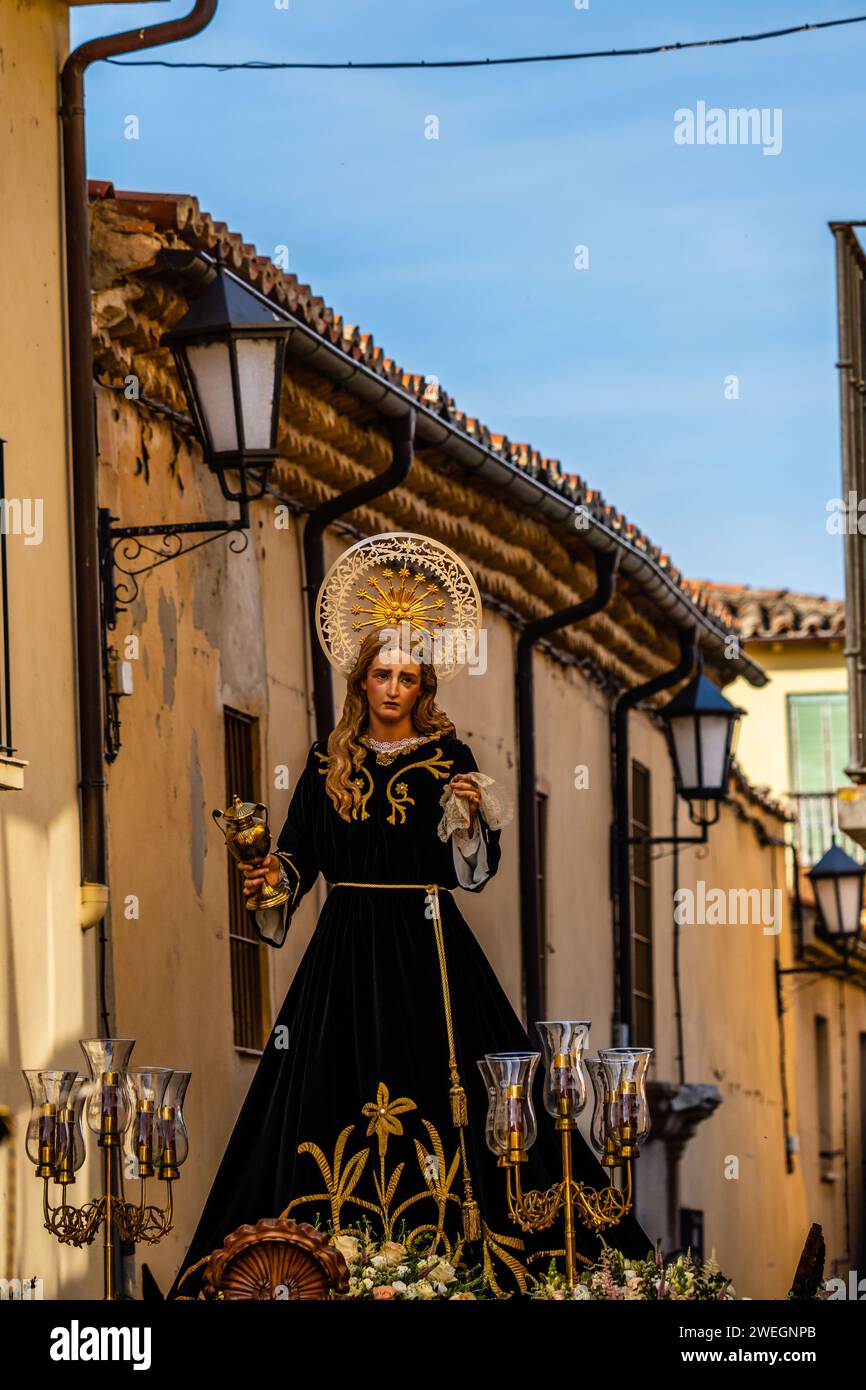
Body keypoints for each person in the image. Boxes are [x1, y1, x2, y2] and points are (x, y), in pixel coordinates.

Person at [171, 539, 650, 1298]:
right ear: (359, 680)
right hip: (343, 957)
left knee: (467, 1094)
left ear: (423, 683)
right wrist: (272, 876)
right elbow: (298, 859)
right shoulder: (330, 765)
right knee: (318, 1097)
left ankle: (486, 1269)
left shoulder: (446, 756)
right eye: (380, 674)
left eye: (407, 676)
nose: (392, 687)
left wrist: (465, 821)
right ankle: (318, 1263)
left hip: (430, 953)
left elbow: (474, 871)